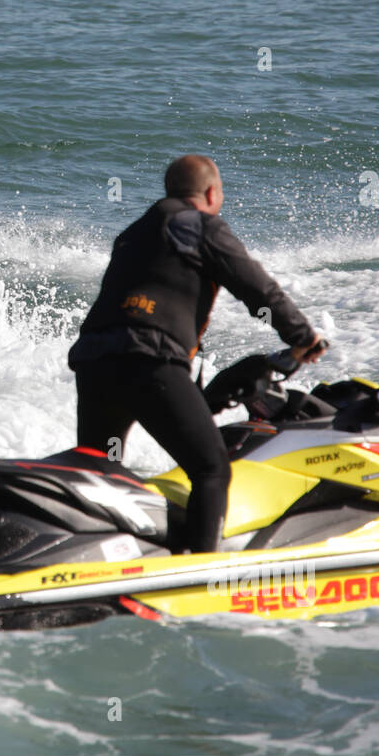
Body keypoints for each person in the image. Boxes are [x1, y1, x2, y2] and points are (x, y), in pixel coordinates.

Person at [67, 155, 324, 553]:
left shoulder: (134, 233)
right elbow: (254, 286)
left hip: (96, 363)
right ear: (210, 193)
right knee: (210, 467)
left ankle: (90, 555)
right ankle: (201, 570)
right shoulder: (197, 224)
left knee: (101, 468)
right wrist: (301, 335)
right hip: (147, 363)